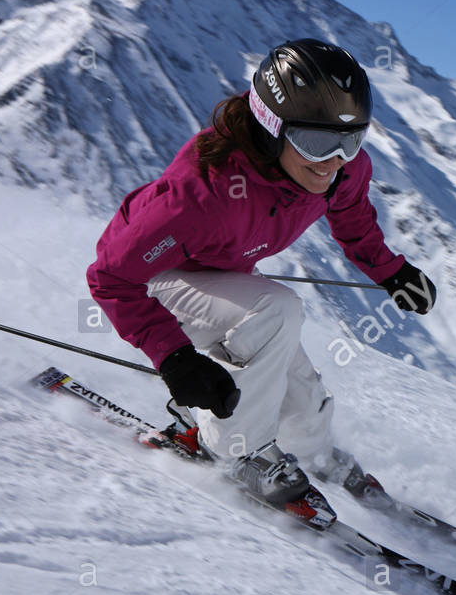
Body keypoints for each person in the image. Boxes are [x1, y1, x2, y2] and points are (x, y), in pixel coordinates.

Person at [86, 38, 435, 527]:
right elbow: (111, 276)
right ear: (272, 127)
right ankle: (237, 451)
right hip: (155, 284)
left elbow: (352, 216)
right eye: (315, 143)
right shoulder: (200, 193)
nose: (332, 161)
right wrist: (175, 357)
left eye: (350, 141)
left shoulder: (339, 169)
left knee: (297, 389)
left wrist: (391, 271)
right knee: (276, 311)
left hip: (226, 284)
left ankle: (310, 452)